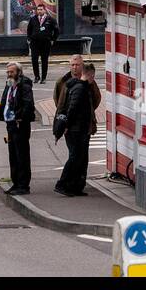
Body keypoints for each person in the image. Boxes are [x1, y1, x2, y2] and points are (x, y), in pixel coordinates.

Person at [0, 61, 35, 194]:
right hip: (10, 124)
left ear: (19, 72)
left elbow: (28, 104)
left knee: (22, 155)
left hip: (20, 124)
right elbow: (6, 100)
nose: (9, 74)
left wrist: (20, 117)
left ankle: (23, 185)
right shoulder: (10, 84)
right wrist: (2, 115)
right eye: (7, 72)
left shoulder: (24, 85)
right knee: (13, 155)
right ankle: (16, 182)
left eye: (11, 72)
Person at [55, 68, 93, 197]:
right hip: (76, 129)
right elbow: (73, 108)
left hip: (77, 128)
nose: (93, 79)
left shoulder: (76, 86)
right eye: (92, 76)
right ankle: (62, 183)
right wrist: (68, 125)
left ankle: (74, 186)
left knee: (78, 158)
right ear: (88, 75)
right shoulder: (80, 88)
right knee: (75, 157)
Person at [54, 54, 101, 121]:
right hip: (67, 120)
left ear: (82, 66)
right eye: (72, 65)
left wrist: (89, 109)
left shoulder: (89, 81)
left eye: (77, 65)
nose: (75, 67)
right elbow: (57, 100)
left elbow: (96, 98)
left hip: (86, 120)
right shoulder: (61, 82)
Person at [26, 3, 59, 84]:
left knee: (44, 60)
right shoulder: (33, 19)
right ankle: (36, 76)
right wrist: (29, 39)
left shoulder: (50, 19)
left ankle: (43, 78)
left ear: (44, 10)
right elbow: (29, 29)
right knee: (34, 60)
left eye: (41, 9)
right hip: (35, 42)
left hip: (45, 42)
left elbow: (56, 30)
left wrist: (53, 39)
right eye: (38, 10)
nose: (39, 11)